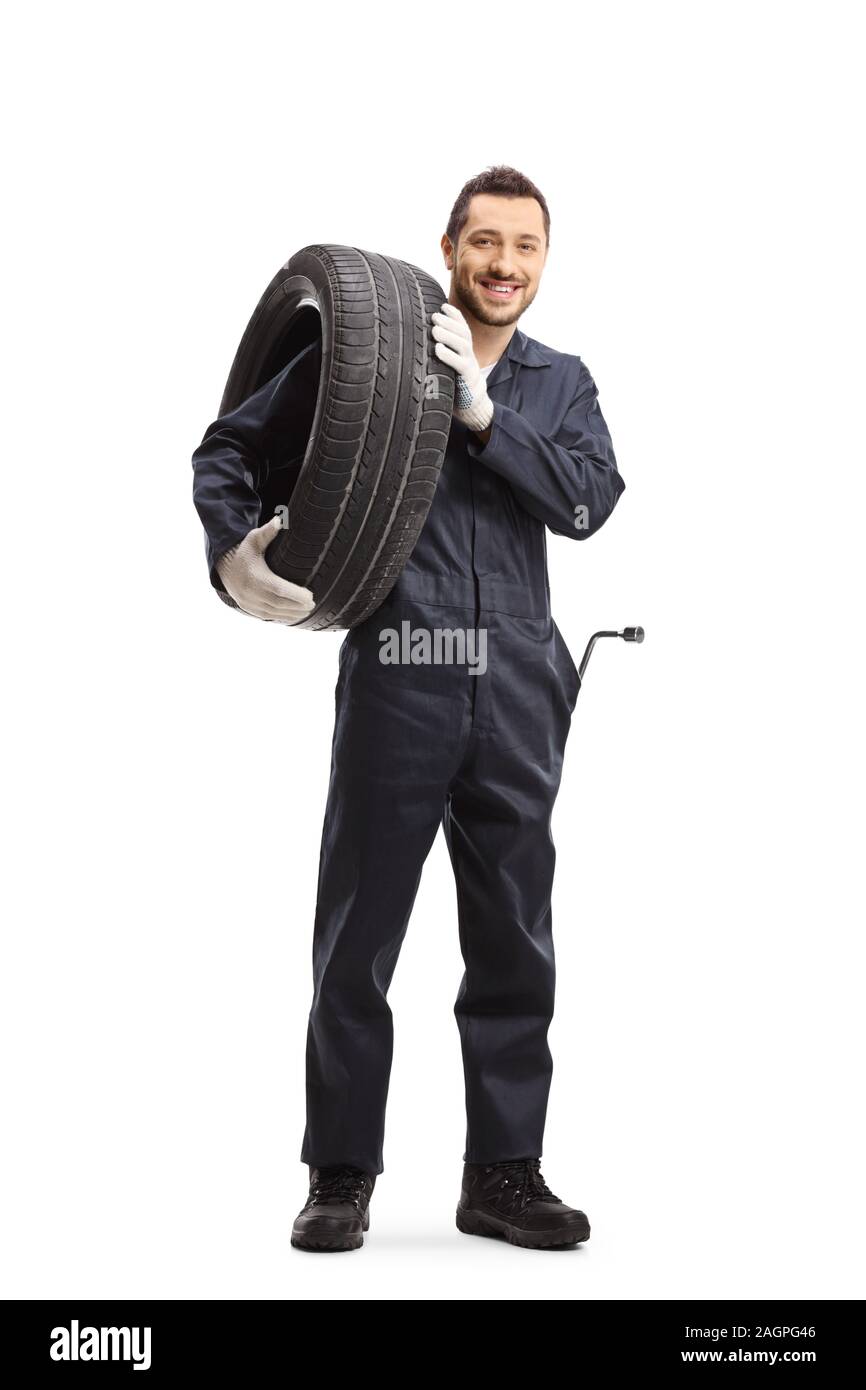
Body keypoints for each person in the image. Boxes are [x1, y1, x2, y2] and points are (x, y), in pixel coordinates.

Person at [191, 165, 625, 1252]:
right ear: (447, 249)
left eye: (523, 247)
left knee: (515, 941)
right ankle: (339, 1172)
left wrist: (485, 422)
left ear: (541, 260)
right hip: (403, 667)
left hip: (520, 680)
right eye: (483, 242)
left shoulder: (559, 381)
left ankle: (502, 1175)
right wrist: (233, 553)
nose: (502, 265)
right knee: (358, 935)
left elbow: (587, 501)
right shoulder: (372, 361)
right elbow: (228, 449)